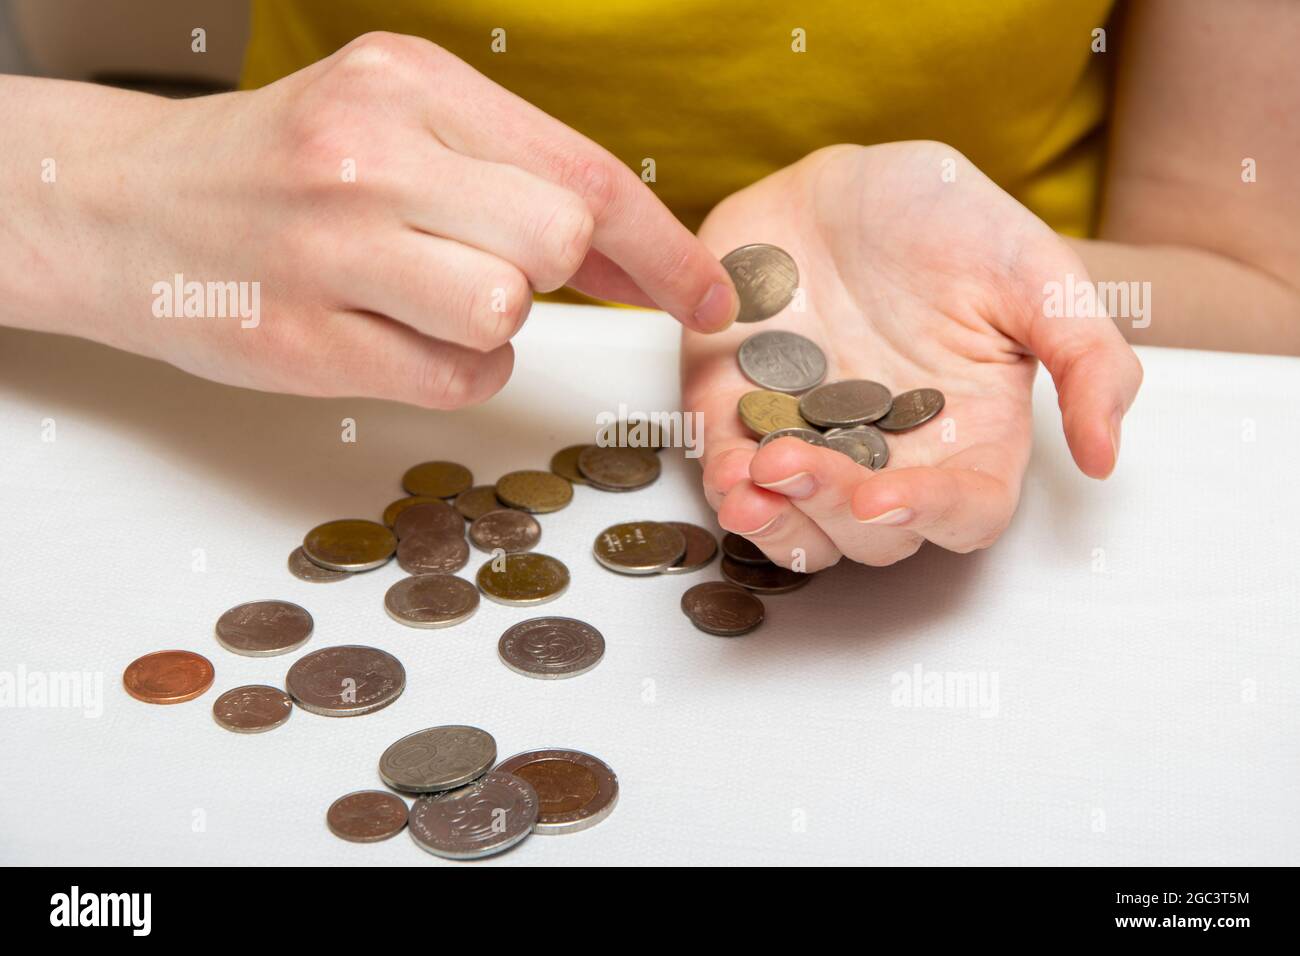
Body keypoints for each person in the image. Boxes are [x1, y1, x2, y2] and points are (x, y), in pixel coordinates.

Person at [2, 1, 1296, 572]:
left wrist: (1023, 298)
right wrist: (109, 187)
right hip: (278, 350)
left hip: (971, 340)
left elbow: (1259, 280)